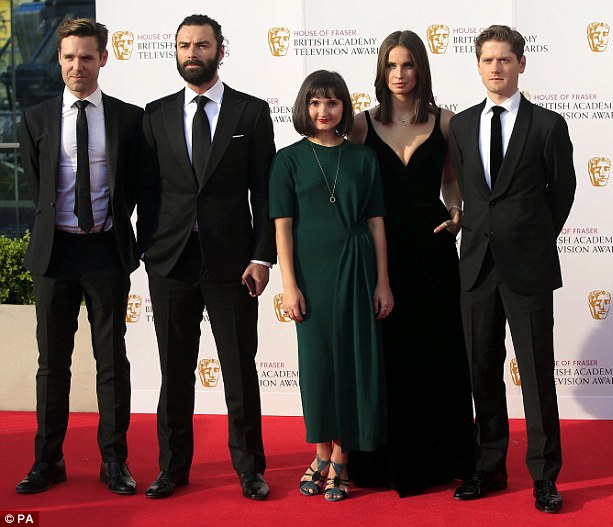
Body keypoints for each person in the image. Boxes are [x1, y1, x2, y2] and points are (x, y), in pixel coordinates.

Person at [137, 14, 275, 500]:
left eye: (201, 45)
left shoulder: (251, 113)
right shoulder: (153, 115)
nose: (192, 53)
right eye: (183, 45)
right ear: (174, 51)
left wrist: (263, 257)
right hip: (171, 262)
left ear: (221, 49)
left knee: (239, 370)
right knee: (174, 373)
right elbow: (147, 192)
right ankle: (171, 468)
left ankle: (249, 468)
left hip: (233, 263)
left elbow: (265, 192)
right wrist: (148, 250)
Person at [449, 25, 576, 513]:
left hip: (528, 266)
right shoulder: (460, 126)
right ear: (477, 66)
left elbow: (561, 194)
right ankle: (489, 466)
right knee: (481, 371)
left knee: (537, 373)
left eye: (505, 59)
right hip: (476, 265)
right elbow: (466, 190)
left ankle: (545, 476)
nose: (496, 68)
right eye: (488, 60)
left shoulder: (548, 125)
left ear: (522, 64)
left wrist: (533, 238)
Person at [16, 18, 143, 495]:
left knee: (112, 362)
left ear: (103, 59)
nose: (77, 65)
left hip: (105, 251)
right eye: (69, 57)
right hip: (55, 254)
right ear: (59, 60)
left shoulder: (129, 119)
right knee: (52, 365)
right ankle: (47, 461)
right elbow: (37, 188)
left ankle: (115, 462)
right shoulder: (37, 117)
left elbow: (136, 186)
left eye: (87, 57)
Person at [346, 30, 475, 497]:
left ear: (421, 69)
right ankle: (382, 461)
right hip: (382, 254)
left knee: (438, 351)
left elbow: (453, 184)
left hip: (433, 250)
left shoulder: (446, 123)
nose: (399, 75)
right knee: (388, 356)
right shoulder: (361, 125)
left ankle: (443, 456)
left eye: (408, 65)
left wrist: (458, 214)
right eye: (391, 66)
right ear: (381, 71)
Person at [269, 70, 393, 501]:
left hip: (358, 269)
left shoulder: (364, 158)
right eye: (316, 103)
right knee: (318, 365)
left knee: (354, 365)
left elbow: (377, 223)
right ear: (305, 106)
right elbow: (282, 228)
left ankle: (341, 458)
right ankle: (320, 452)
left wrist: (383, 282)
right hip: (311, 275)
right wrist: (289, 285)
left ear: (345, 108)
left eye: (333, 103)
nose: (324, 111)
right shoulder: (287, 159)